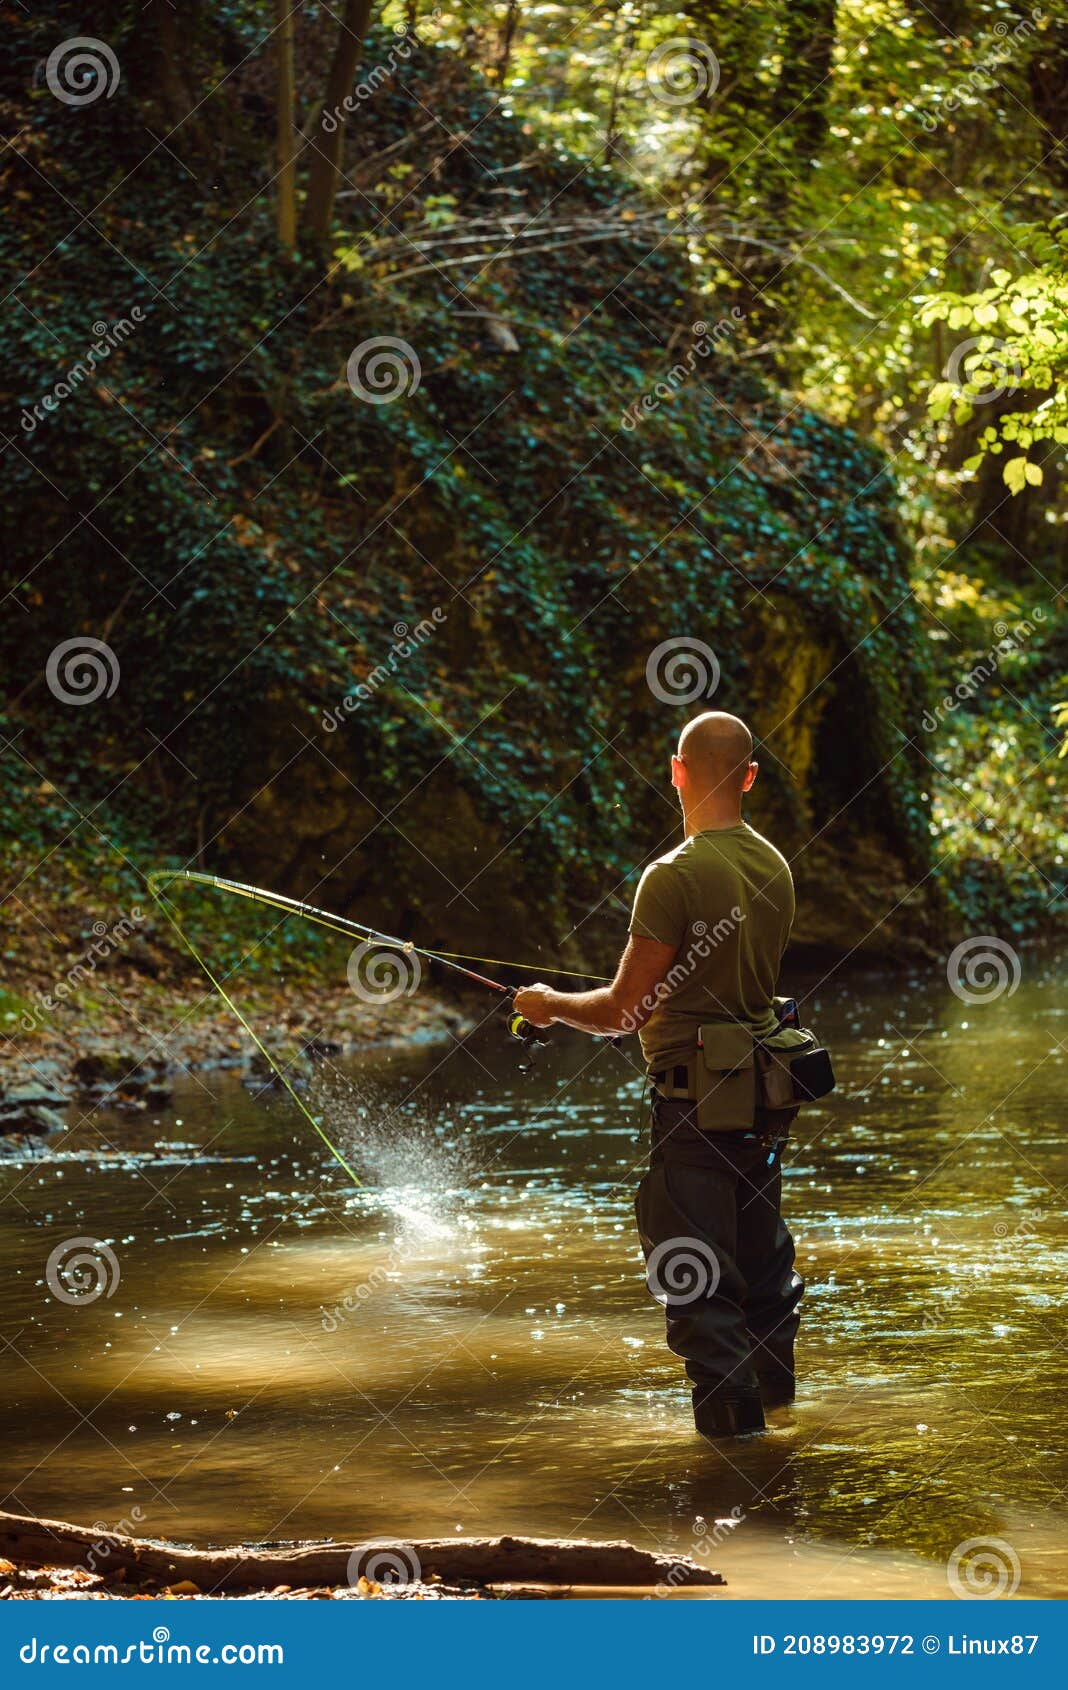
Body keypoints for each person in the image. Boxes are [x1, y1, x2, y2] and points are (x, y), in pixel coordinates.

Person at [513, 710, 802, 1439]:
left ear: (676, 771)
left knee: (701, 1296)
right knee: (765, 1290)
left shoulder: (671, 876)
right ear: (750, 776)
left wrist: (547, 1007)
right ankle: (782, 1448)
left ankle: (735, 1479)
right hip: (763, 1107)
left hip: (695, 1114)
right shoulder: (775, 865)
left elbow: (622, 1012)